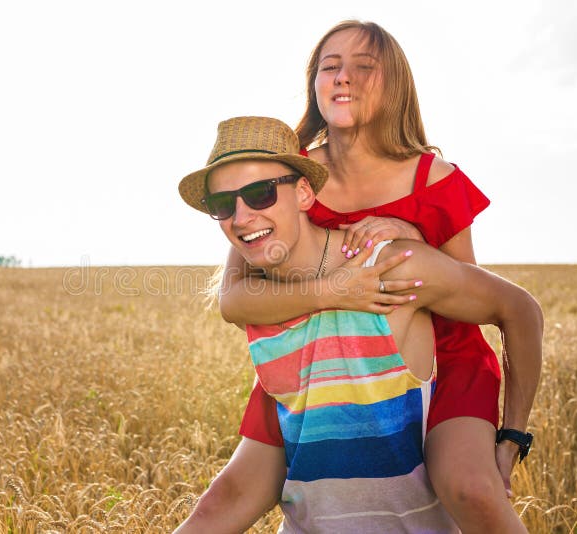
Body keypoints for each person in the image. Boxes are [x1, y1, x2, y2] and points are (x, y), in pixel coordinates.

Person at [214, 20, 529, 532]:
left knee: (471, 489)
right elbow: (234, 297)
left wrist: (415, 240)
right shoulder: (285, 177)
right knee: (226, 495)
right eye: (330, 67)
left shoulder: (433, 177)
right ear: (313, 84)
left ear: (396, 85)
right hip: (320, 353)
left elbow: (467, 295)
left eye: (365, 68)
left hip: (438, 361)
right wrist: (334, 290)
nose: (344, 78)